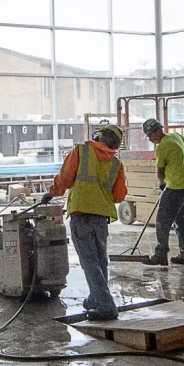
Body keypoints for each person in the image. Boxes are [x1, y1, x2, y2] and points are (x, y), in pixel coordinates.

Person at [49, 122, 128, 320]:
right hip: (101, 217)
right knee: (100, 261)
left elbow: (65, 179)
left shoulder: (81, 151)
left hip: (81, 213)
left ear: (99, 137)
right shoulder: (116, 164)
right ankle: (95, 298)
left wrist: (51, 193)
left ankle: (106, 306)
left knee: (89, 262)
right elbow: (119, 195)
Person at [141, 117, 184, 267]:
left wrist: (162, 184)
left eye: (151, 135)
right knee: (181, 221)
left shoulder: (162, 147)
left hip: (175, 188)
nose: (150, 139)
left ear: (158, 131)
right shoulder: (176, 136)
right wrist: (177, 157)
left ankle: (160, 255)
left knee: (162, 222)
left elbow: (159, 172)